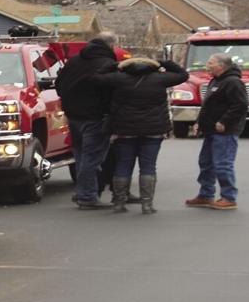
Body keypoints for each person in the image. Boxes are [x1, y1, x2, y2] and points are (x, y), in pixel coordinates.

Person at [92, 55, 190, 214]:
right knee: (148, 166)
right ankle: (147, 204)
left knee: (123, 165)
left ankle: (119, 202)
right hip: (153, 130)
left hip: (124, 130)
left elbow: (96, 77)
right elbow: (183, 74)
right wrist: (162, 62)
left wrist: (115, 65)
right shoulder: (160, 79)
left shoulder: (119, 79)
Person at [56, 35, 119, 210]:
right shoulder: (107, 64)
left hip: (73, 115)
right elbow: (111, 92)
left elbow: (59, 84)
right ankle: (86, 195)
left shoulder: (74, 61)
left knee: (80, 155)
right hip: (95, 116)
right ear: (111, 46)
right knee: (91, 158)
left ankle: (86, 191)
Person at [187, 53, 245, 210]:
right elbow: (207, 105)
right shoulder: (215, 81)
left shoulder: (233, 82)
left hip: (225, 131)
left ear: (221, 65)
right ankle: (205, 194)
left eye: (211, 63)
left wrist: (224, 121)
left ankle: (229, 197)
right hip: (210, 130)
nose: (207, 65)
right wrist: (199, 122)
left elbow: (240, 105)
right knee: (205, 163)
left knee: (223, 164)